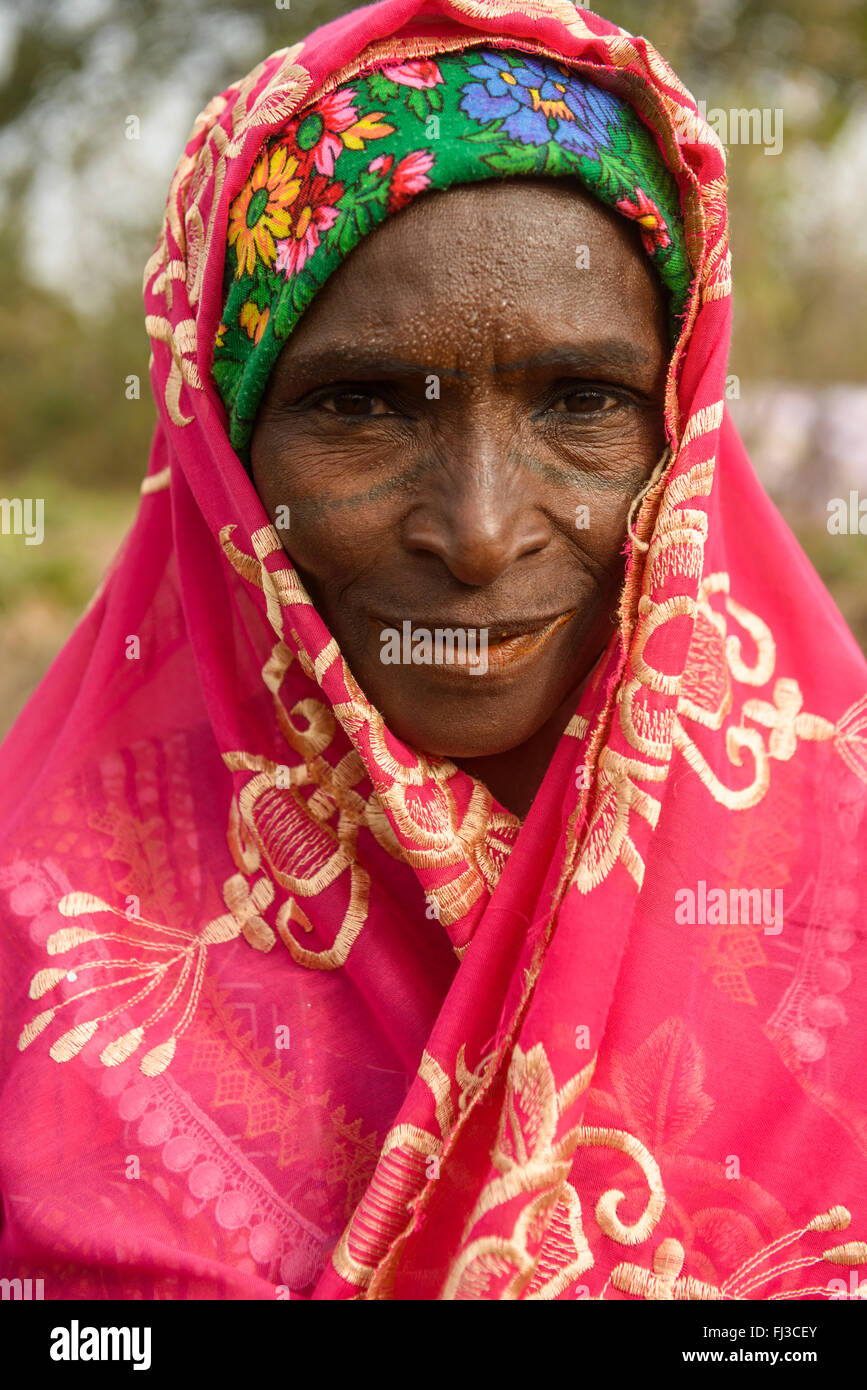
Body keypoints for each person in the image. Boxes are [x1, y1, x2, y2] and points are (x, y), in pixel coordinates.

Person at [0, 0, 865, 1301]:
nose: (478, 531)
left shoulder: (837, 883)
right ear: (226, 460)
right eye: (357, 405)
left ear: (681, 432)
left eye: (584, 402)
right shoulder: (42, 935)